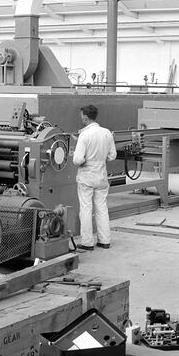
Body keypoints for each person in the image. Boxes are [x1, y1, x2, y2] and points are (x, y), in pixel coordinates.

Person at [72, 104, 116, 250]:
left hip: (87, 177)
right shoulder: (107, 133)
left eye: (81, 115)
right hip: (102, 176)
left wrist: (81, 154)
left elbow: (77, 160)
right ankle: (104, 241)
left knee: (85, 209)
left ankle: (87, 242)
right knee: (102, 208)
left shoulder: (84, 135)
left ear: (85, 116)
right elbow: (112, 156)